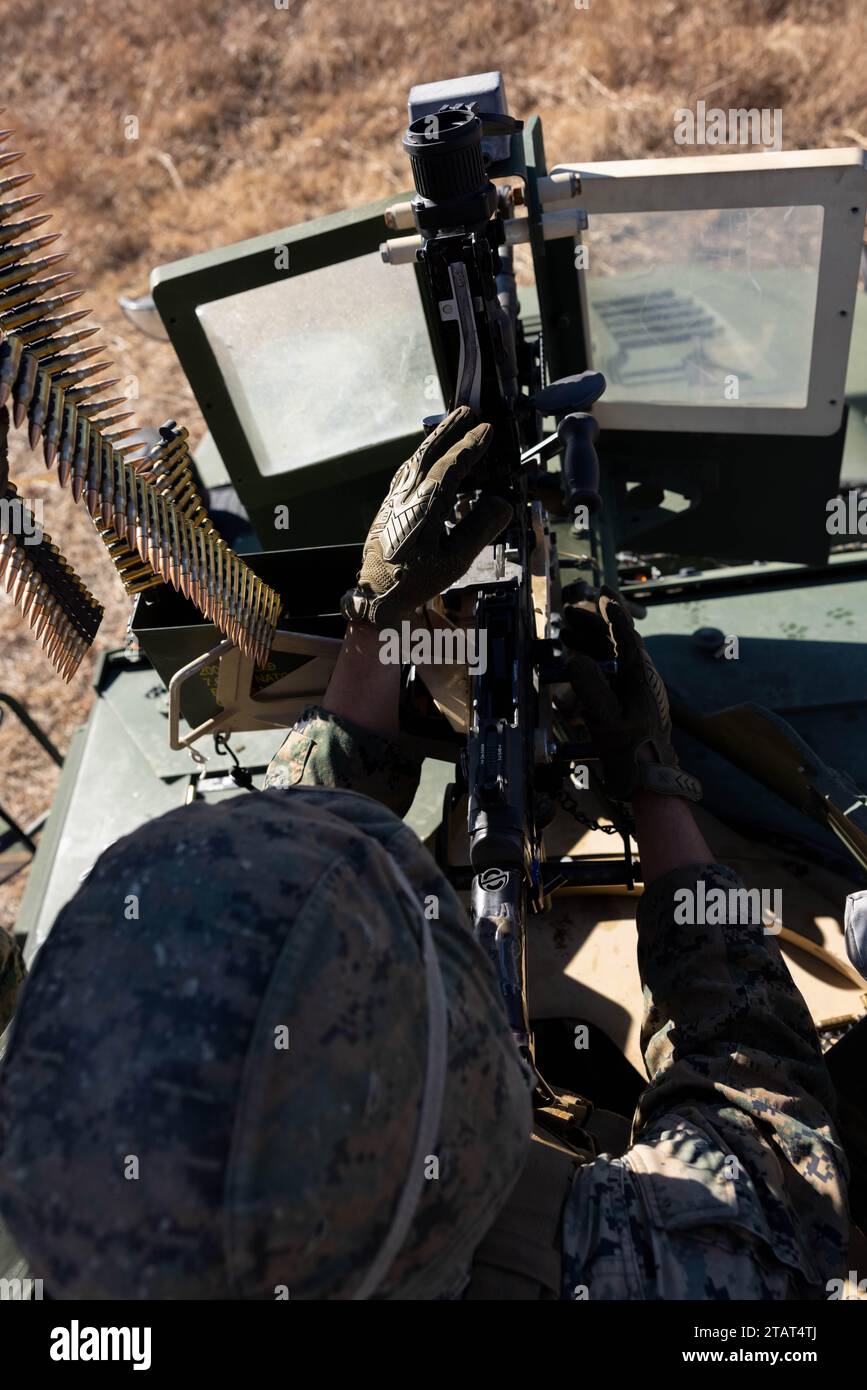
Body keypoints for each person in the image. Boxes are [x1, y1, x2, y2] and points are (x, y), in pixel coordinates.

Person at [0, 408, 849, 1300]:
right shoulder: (669, 1278)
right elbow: (762, 1144)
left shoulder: (104, 1240)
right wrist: (655, 786)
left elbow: (256, 934)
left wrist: (374, 633)